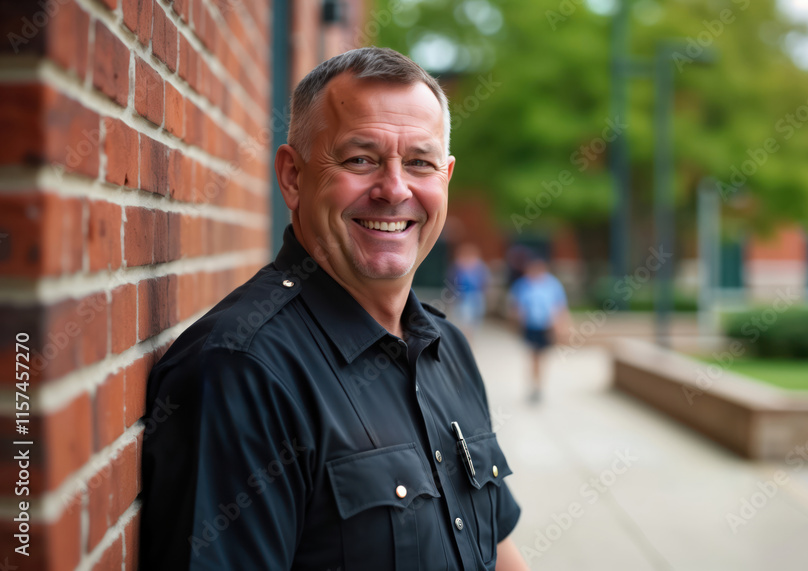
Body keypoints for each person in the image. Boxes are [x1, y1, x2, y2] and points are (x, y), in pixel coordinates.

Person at [139, 47, 528, 571]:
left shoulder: (447, 347)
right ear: (293, 177)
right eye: (360, 159)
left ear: (446, 178)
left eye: (420, 162)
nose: (394, 189)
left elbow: (498, 549)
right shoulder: (243, 371)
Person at [507, 256, 569, 403]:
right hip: (530, 325)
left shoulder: (552, 284)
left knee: (542, 356)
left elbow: (560, 306)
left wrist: (561, 325)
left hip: (546, 326)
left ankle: (539, 385)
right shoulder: (522, 285)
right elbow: (515, 305)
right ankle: (534, 386)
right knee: (533, 355)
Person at [448, 243, 491, 341]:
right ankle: (465, 339)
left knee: (474, 320)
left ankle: (469, 339)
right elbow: (452, 282)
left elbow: (484, 281)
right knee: (463, 320)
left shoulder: (480, 267)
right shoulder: (457, 266)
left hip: (476, 296)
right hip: (462, 297)